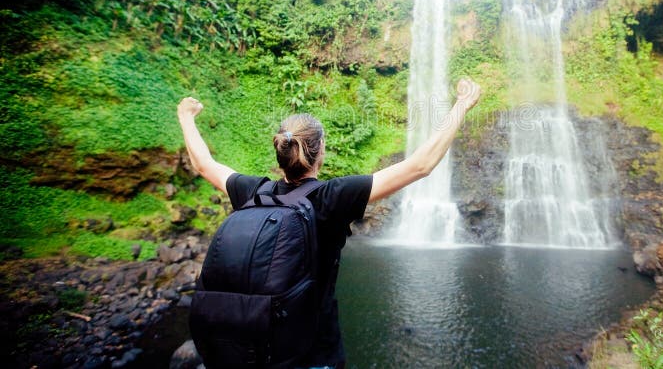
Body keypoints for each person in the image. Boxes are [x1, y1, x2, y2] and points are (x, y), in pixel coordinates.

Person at [177, 78, 481, 368]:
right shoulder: (331, 198)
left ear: (280, 151)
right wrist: (462, 105)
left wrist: (186, 116)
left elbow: (203, 164)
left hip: (254, 349)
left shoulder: (254, 192)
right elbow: (421, 165)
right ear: (320, 149)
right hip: (314, 355)